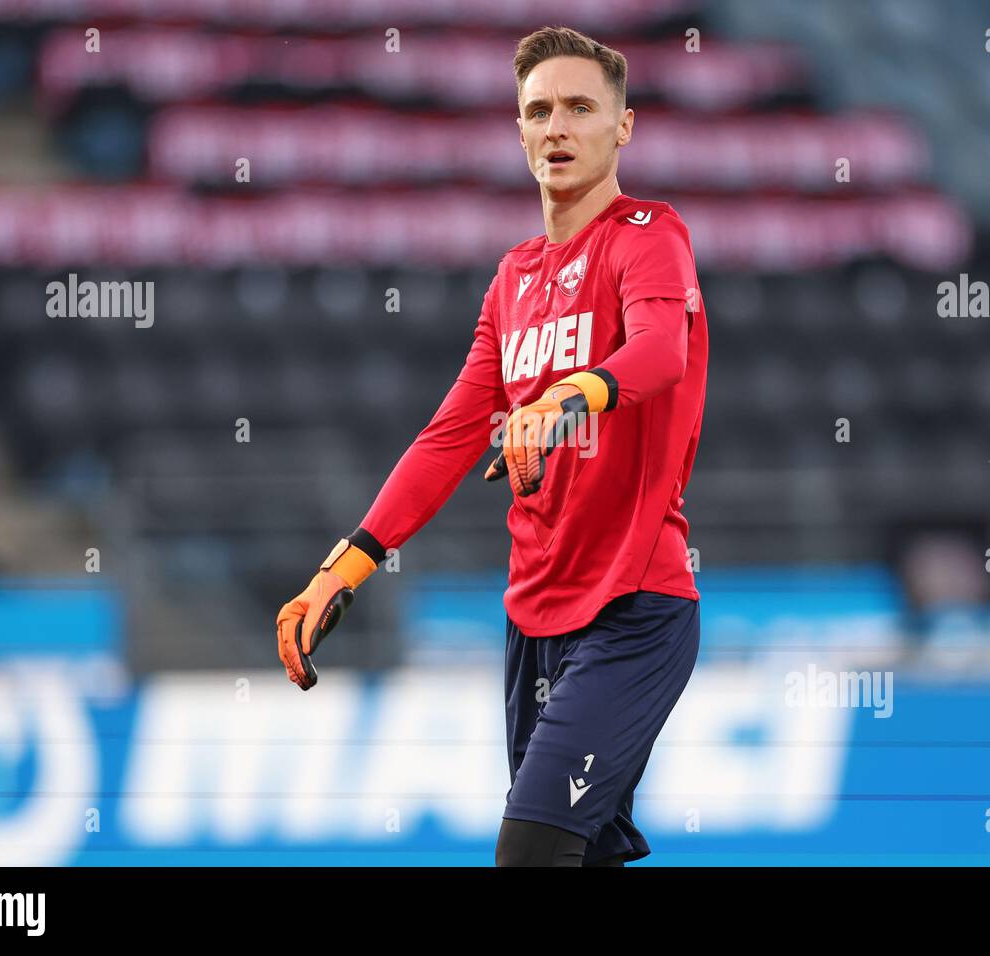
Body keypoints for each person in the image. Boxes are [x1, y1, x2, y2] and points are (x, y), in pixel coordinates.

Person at [276, 25, 709, 867]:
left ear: (622, 127)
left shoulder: (648, 235)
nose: (558, 127)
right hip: (533, 621)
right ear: (518, 131)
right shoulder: (514, 280)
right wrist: (347, 566)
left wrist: (565, 397)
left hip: (634, 607)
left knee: (529, 853)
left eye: (581, 108)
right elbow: (447, 438)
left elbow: (662, 352)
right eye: (538, 110)